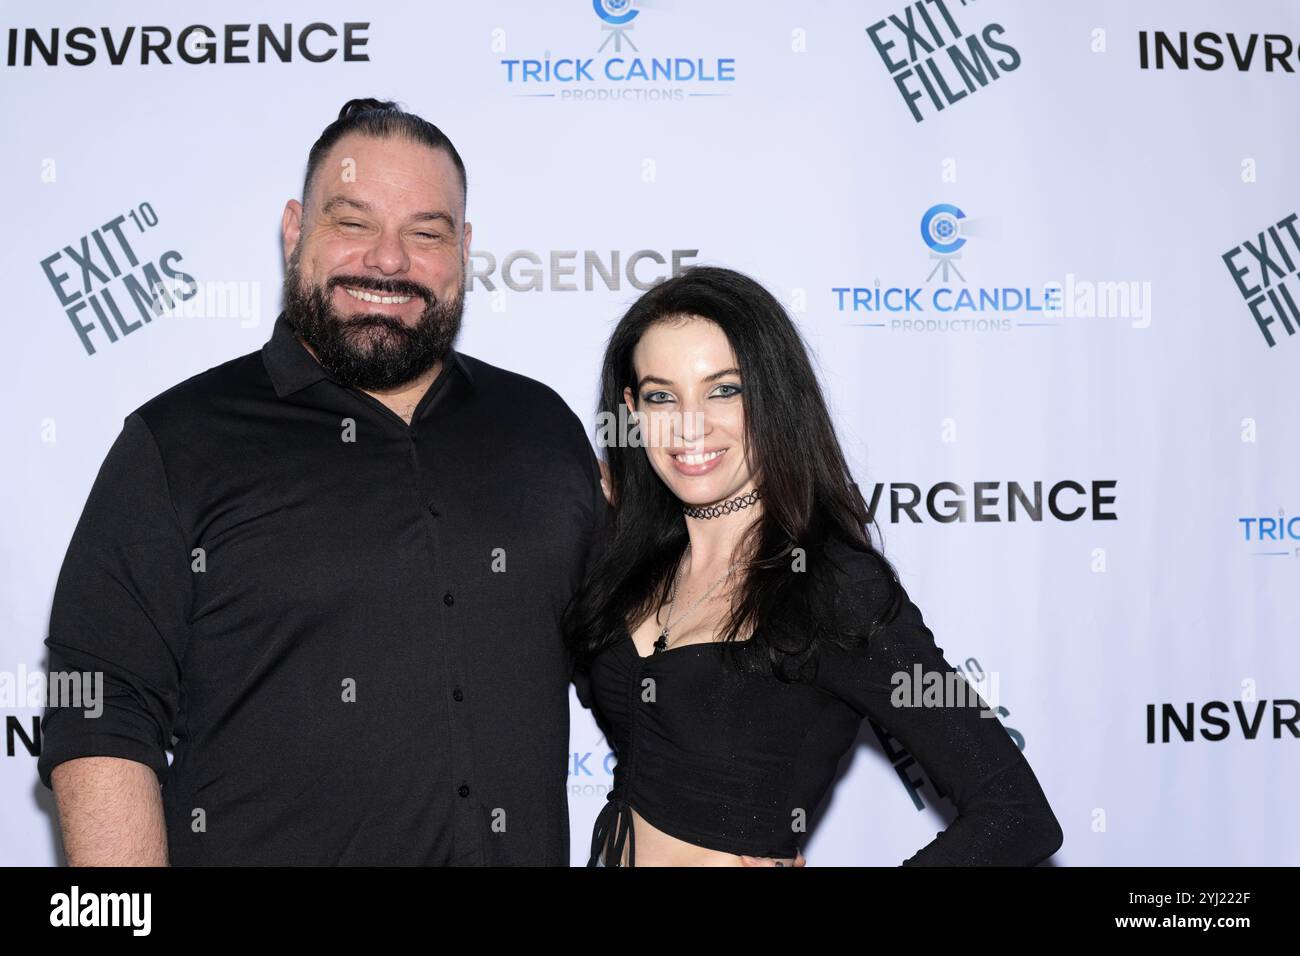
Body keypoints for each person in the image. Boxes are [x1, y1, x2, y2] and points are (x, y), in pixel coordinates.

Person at [37, 98, 606, 865]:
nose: (388, 260)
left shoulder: (542, 430)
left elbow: (645, 667)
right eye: (353, 222)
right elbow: (101, 710)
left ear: (465, 250)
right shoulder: (177, 442)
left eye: (425, 232)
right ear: (294, 231)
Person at [564, 266, 1065, 866]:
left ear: (773, 398)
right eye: (661, 396)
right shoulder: (631, 563)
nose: (690, 424)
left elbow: (1015, 814)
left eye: (725, 389)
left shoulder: (831, 587)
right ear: (631, 409)